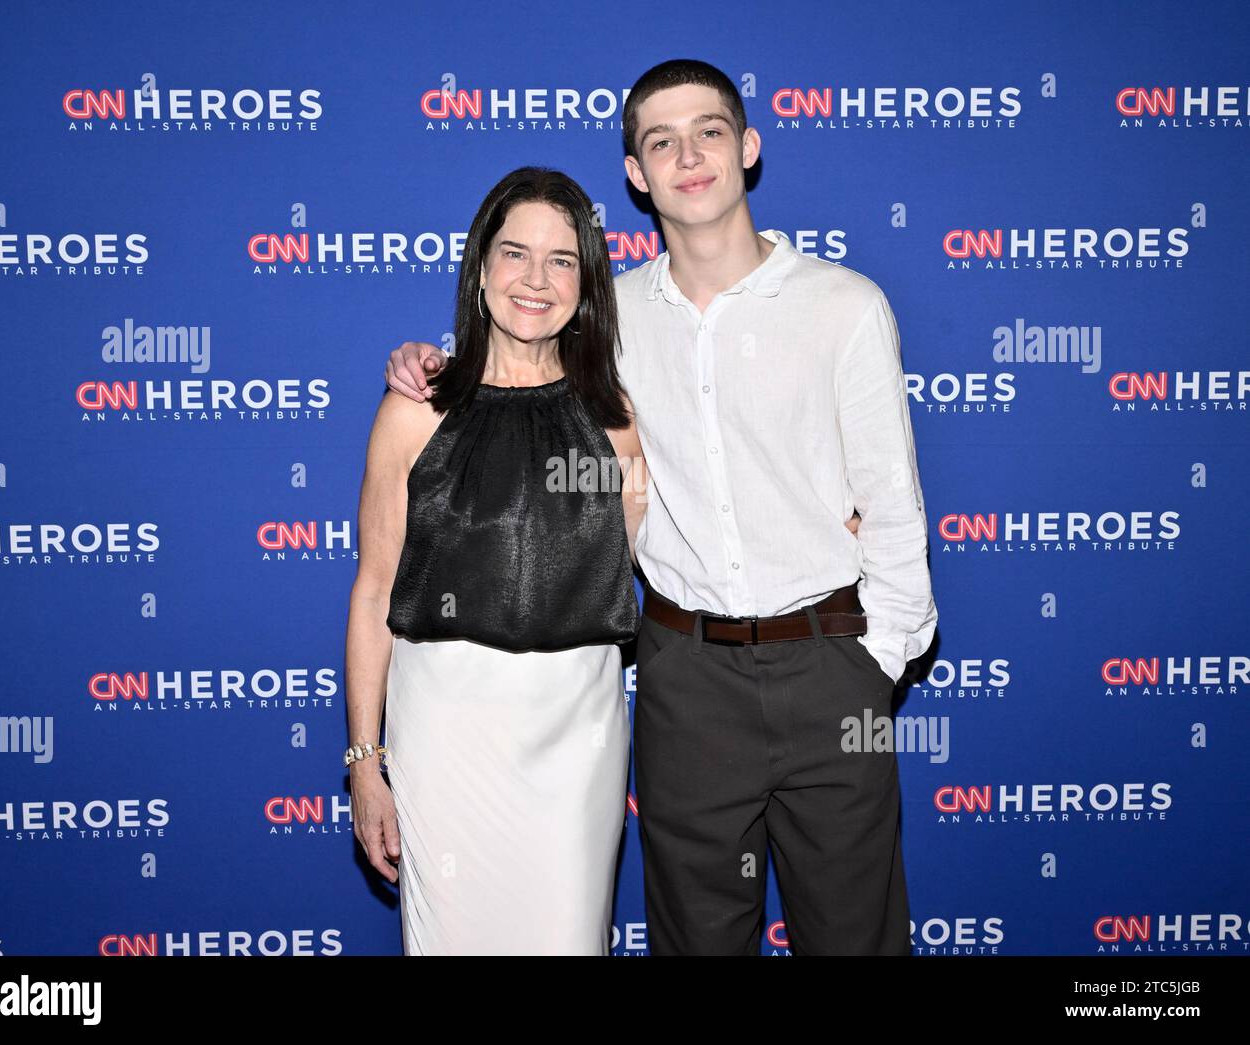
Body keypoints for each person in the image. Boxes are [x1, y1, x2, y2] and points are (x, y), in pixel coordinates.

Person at [384, 59, 937, 956]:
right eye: (660, 141)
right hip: (686, 678)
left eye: (709, 131)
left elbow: (895, 509)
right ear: (636, 174)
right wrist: (422, 363)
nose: (689, 156)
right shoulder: (608, 324)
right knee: (695, 940)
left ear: (748, 148)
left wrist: (876, 664)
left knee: (858, 937)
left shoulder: (845, 307)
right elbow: (504, 382)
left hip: (835, 666)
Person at [345, 166, 647, 955]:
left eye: (561, 259)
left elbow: (682, 550)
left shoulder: (616, 420)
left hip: (575, 728)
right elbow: (375, 588)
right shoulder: (417, 408)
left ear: (587, 283)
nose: (535, 279)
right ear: (481, 270)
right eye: (515, 253)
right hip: (444, 728)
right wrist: (366, 762)